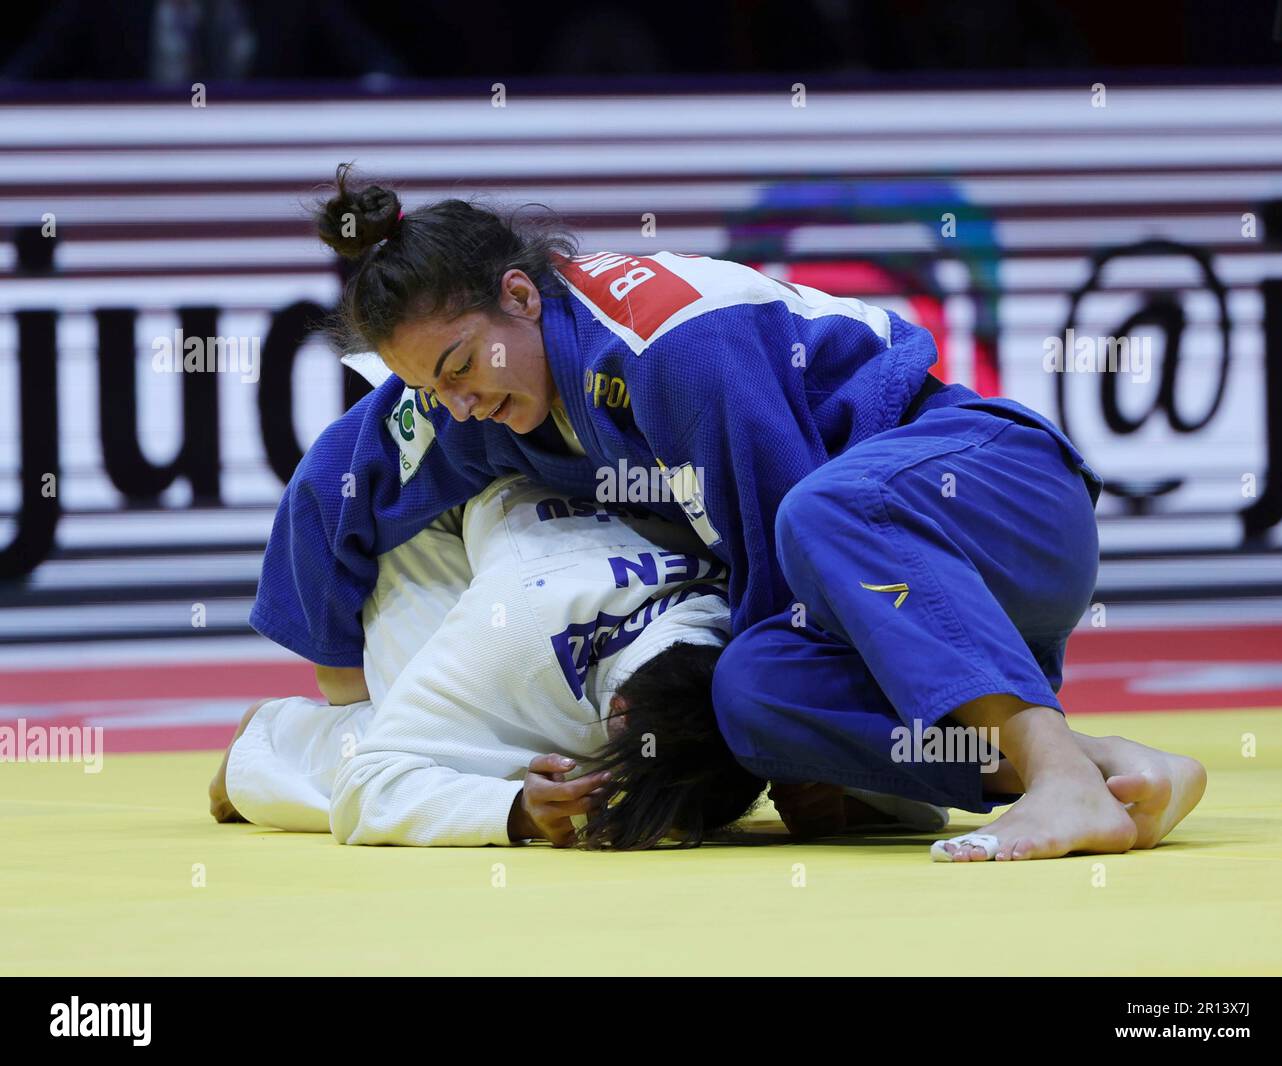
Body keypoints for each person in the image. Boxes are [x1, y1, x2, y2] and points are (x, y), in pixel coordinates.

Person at [250, 164, 1205, 862]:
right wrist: (355, 709)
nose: (455, 403)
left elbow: (789, 547)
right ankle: (1111, 768)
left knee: (820, 516)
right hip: (901, 588)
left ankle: (1062, 782)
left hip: (998, 492)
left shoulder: (671, 349)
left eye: (459, 369)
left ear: (518, 295)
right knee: (750, 696)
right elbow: (335, 483)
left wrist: (811, 766)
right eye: (430, 387)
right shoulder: (474, 396)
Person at [217, 467, 771, 848]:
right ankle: (273, 741)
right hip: (429, 519)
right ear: (621, 713)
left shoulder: (750, 628)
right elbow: (370, 783)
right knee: (541, 780)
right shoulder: (516, 631)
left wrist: (818, 785)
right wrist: (517, 811)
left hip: (552, 504)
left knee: (602, 777)